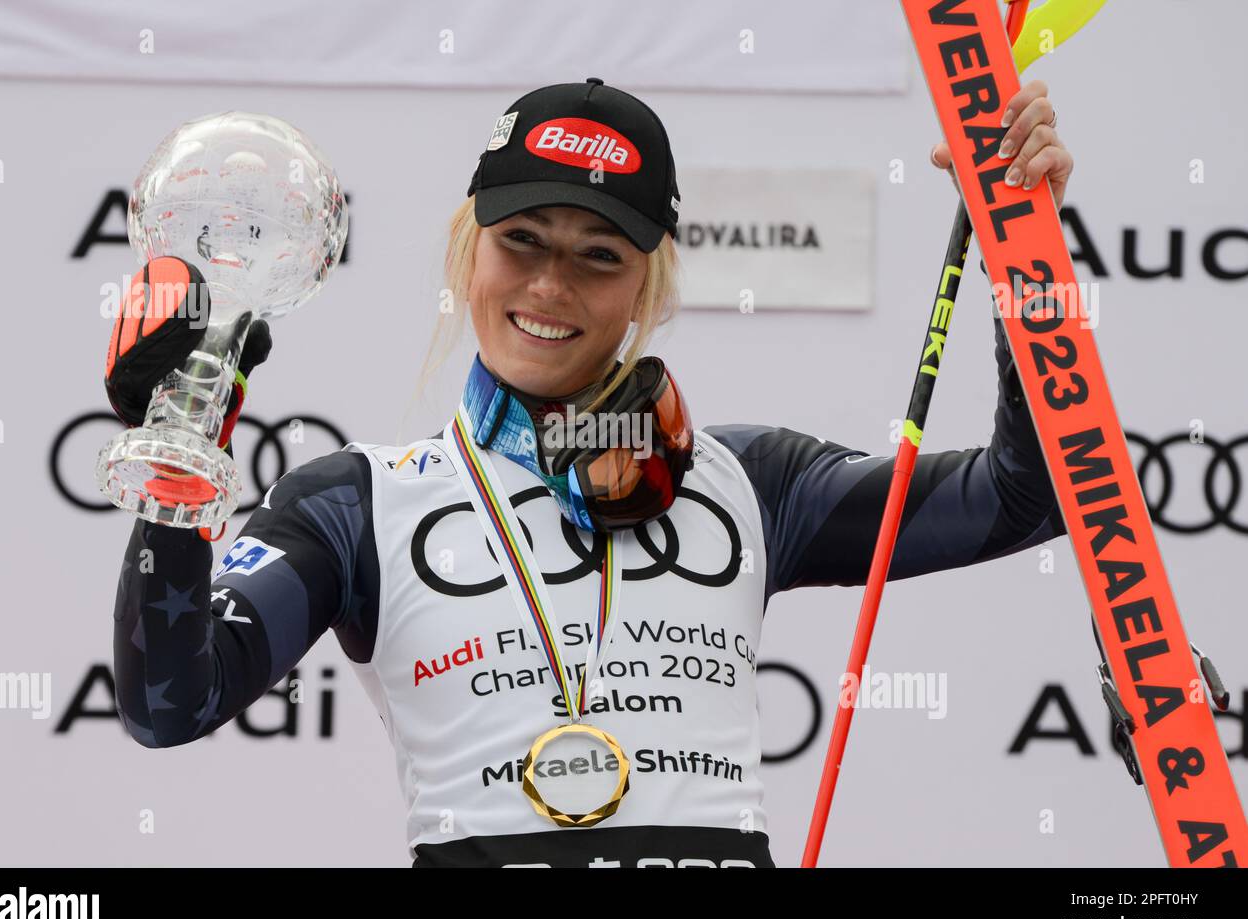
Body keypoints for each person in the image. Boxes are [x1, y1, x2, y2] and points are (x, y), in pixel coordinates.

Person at [109, 78, 1071, 867]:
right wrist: (180, 462)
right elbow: (168, 703)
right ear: (467, 248)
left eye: (599, 256)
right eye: (520, 240)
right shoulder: (358, 503)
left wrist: (1018, 253)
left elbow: (1029, 495)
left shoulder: (753, 481)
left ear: (647, 288)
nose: (549, 286)